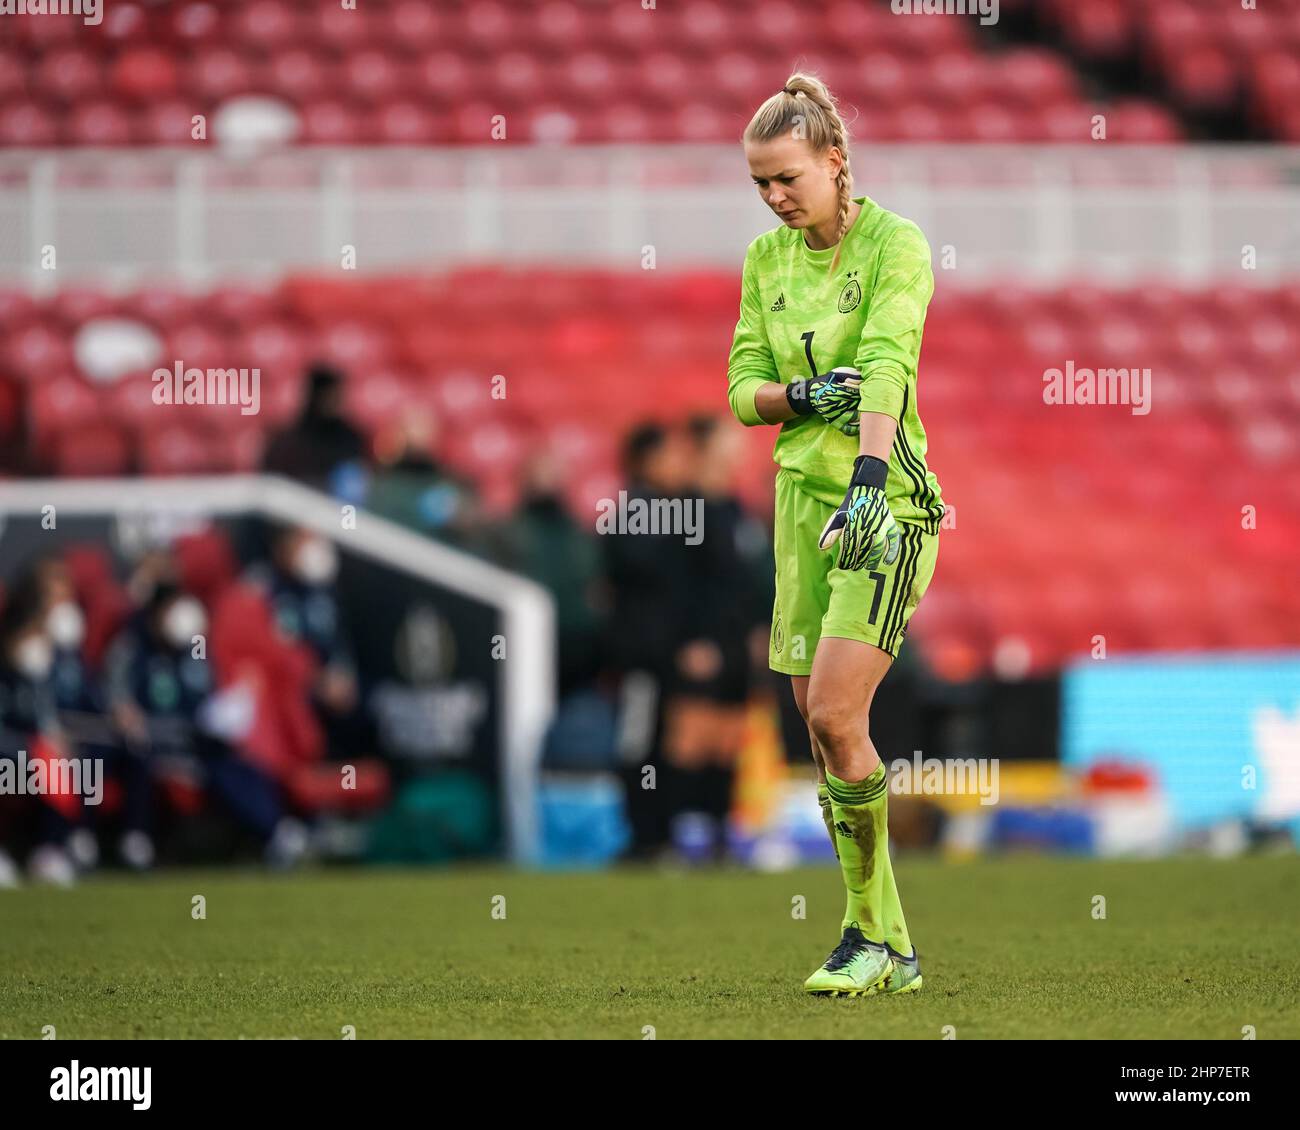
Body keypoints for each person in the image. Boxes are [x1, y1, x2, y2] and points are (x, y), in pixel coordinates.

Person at [727, 73, 946, 997]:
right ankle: (889, 946)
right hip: (797, 509)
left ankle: (864, 937)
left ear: (835, 162)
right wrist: (802, 397)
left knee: (831, 713)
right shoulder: (765, 262)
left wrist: (865, 479)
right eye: (762, 185)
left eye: (789, 179)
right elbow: (743, 391)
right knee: (821, 739)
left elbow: (890, 363)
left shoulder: (897, 245)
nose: (777, 199)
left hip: (882, 503)